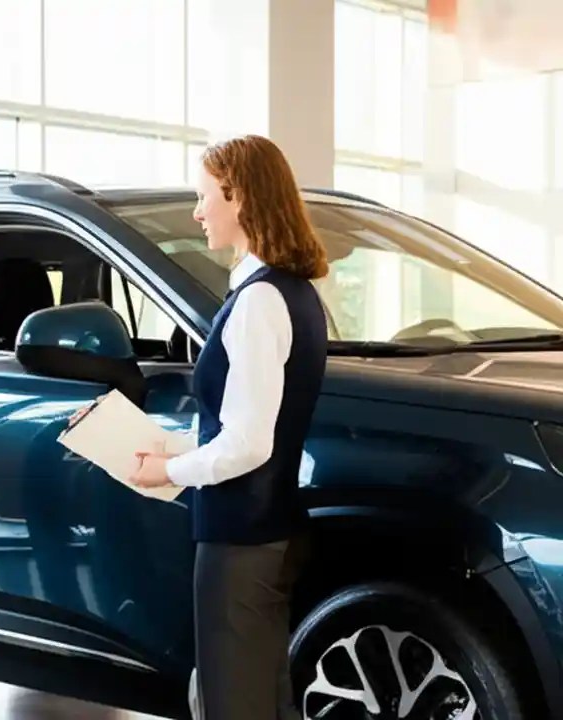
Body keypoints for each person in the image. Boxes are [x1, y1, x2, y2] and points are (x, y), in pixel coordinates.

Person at [126, 134, 329, 720]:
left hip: (240, 536)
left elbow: (246, 442)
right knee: (264, 700)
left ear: (238, 196)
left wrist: (170, 469)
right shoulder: (295, 295)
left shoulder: (259, 302)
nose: (197, 212)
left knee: (232, 703)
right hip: (269, 526)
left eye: (203, 195)